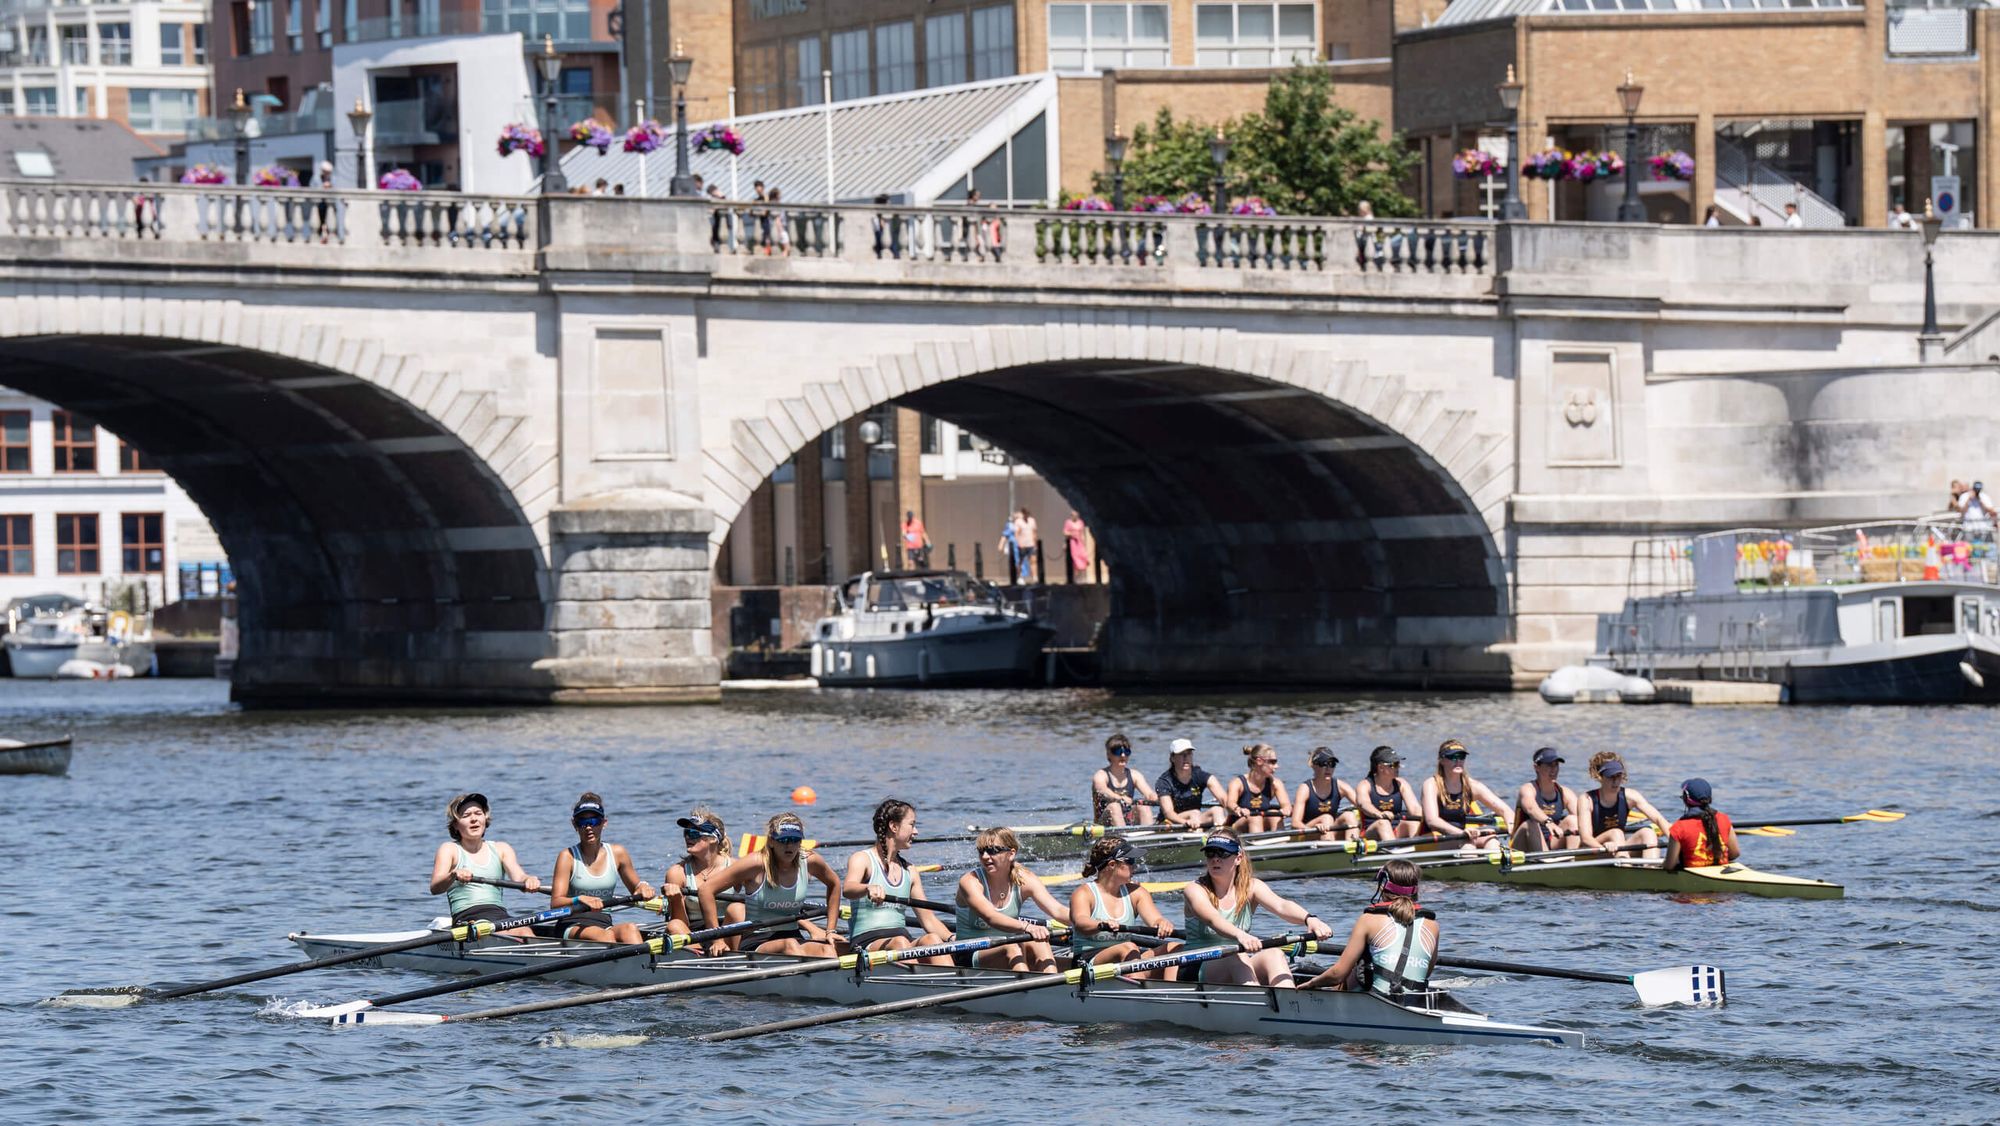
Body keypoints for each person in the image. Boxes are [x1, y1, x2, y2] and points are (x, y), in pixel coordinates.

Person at [1180, 830, 1333, 987]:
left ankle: (1289, 1005)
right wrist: (1241, 935)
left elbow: (1281, 905)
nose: (1215, 859)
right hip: (1196, 966)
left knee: (1274, 954)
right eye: (1210, 853)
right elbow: (1213, 919)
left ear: (1238, 858)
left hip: (1238, 964)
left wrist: (1310, 919)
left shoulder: (1252, 887)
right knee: (1235, 957)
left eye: (1222, 853)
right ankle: (1259, 1003)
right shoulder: (1195, 889)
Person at [698, 813, 842, 957]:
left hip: (792, 934)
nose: (789, 845)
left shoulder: (810, 860)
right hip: (756, 939)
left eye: (795, 840)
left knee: (827, 949)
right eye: (783, 840)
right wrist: (717, 939)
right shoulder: (755, 863)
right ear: (771, 842)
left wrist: (831, 931)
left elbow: (834, 883)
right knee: (789, 945)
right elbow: (706, 890)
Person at [1300, 859, 1436, 999]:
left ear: (1382, 885)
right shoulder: (1432, 925)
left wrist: (1311, 983)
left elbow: (1337, 975)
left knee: (1354, 969)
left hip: (1377, 1001)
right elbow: (1426, 973)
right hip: (1415, 1002)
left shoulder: (1368, 920)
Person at [842, 799, 953, 964]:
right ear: (894, 827)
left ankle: (955, 985)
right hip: (867, 943)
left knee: (932, 940)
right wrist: (867, 888)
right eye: (912, 824)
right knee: (899, 942)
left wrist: (952, 938)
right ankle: (920, 986)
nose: (916, 832)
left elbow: (928, 919)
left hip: (902, 942)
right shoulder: (862, 859)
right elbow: (848, 888)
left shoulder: (910, 870)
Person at [954, 827, 1071, 972]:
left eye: (993, 850)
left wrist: (1094, 922)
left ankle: (1051, 987)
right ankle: (1025, 990)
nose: (985, 856)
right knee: (1012, 948)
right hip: (969, 954)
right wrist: (1027, 927)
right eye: (981, 851)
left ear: (1011, 854)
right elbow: (992, 917)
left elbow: (1058, 910)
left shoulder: (1024, 878)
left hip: (1009, 946)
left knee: (1040, 943)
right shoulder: (970, 882)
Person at [546, 794, 656, 944]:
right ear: (575, 825)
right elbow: (555, 903)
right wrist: (579, 899)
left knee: (630, 929)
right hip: (572, 924)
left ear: (604, 823)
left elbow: (636, 889)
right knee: (605, 937)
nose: (588, 827)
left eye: (594, 821)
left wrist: (643, 887)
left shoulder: (618, 853)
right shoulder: (567, 857)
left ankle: (641, 966)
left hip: (604, 924)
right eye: (582, 822)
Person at [428, 793, 541, 936]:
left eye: (478, 813)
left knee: (528, 931)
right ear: (455, 825)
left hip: (500, 917)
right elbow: (435, 887)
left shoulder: (501, 848)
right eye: (466, 815)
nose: (474, 818)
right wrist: (453, 875)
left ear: (485, 819)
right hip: (467, 921)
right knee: (524, 932)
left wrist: (528, 880)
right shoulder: (449, 849)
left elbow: (518, 876)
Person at [1067, 837, 1179, 977]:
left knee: (1175, 947)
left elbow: (1155, 920)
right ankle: (1139, 992)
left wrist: (1162, 923)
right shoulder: (1083, 893)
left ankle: (1167, 991)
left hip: (1127, 957)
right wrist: (1101, 924)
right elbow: (1081, 922)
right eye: (1130, 862)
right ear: (1112, 864)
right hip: (1088, 961)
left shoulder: (1136, 892)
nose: (1135, 867)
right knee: (1128, 948)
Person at [663, 807, 742, 949]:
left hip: (728, 932)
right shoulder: (677, 873)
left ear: (712, 839)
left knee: (737, 909)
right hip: (694, 937)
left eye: (693, 833)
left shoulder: (735, 867)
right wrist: (675, 900)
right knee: (674, 925)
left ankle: (737, 956)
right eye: (686, 833)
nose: (687, 837)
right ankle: (701, 961)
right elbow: (681, 922)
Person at [1419, 739, 1513, 849]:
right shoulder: (1431, 785)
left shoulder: (1472, 786)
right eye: (1453, 757)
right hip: (1433, 838)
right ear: (1442, 760)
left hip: (1461, 836)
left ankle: (1495, 864)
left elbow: (1505, 810)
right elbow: (1432, 821)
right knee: (1468, 846)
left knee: (1492, 841)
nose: (1458, 761)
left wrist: (1511, 825)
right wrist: (1461, 833)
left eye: (1461, 757)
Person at [1579, 752, 1670, 860]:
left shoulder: (1630, 796)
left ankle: (1651, 870)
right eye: (1611, 777)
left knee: (1648, 832)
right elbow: (1586, 838)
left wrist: (1676, 842)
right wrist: (1603, 847)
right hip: (1591, 851)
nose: (1616, 781)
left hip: (1618, 847)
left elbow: (1659, 819)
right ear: (1599, 777)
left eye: (1618, 776)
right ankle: (1625, 865)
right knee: (1616, 832)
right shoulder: (1586, 799)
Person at [1511, 747, 1582, 852]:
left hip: (1551, 841)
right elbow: (1531, 808)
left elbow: (1582, 818)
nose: (1553, 769)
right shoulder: (1528, 789)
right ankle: (1546, 861)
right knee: (1531, 824)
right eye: (1549, 765)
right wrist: (1549, 822)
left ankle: (1573, 860)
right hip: (1521, 846)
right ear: (1536, 767)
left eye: (1556, 765)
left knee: (1573, 820)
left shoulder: (1564, 792)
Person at [1664, 778, 1742, 870]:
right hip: (1721, 871)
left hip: (1693, 876)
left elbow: (1669, 866)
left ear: (1685, 798)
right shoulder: (1724, 819)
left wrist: (1663, 863)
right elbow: (1735, 853)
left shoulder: (1678, 827)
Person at [1155, 738, 1230, 829]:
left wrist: (1236, 810)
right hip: (1169, 823)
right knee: (1194, 813)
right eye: (1182, 754)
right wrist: (1186, 822)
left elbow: (1225, 800)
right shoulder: (1164, 781)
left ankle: (1222, 837)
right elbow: (1169, 813)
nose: (1186, 758)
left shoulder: (1199, 775)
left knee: (1217, 810)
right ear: (1172, 758)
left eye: (1189, 754)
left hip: (1195, 819)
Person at [1292, 746, 1360, 841]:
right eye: (1324, 764)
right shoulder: (1305, 789)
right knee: (1326, 817)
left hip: (1329, 830)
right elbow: (1295, 823)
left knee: (1349, 815)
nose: (1328, 768)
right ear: (1314, 766)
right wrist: (1313, 829)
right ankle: (1329, 849)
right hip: (1306, 833)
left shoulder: (1341, 786)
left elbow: (1363, 805)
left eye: (1332, 764)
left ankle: (1353, 848)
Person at [1091, 732, 1158, 827]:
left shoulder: (1135, 775)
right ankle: (1123, 837)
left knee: (1144, 807)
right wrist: (1120, 798)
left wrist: (1160, 799)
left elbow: (1149, 794)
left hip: (1128, 820)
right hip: (1103, 826)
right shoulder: (1101, 775)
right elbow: (1103, 790)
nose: (1123, 755)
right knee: (1114, 807)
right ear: (1108, 754)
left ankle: (1149, 837)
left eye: (1126, 752)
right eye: (1118, 752)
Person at [1355, 746, 1421, 841]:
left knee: (1413, 823)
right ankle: (1393, 852)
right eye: (1394, 764)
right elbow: (1364, 804)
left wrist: (1430, 817)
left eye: (1398, 764)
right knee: (1383, 823)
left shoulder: (1401, 784)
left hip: (1395, 831)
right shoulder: (1364, 785)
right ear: (1381, 767)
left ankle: (1417, 851)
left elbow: (1415, 809)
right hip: (1370, 834)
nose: (1398, 767)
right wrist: (1379, 814)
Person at [1224, 743, 1291, 833]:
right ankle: (1257, 842)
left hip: (1260, 822)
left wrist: (1287, 810)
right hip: (1236, 827)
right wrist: (1238, 809)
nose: (1277, 766)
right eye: (1273, 762)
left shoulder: (1275, 784)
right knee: (1255, 818)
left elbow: (1286, 805)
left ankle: (1281, 844)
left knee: (1275, 815)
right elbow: (1230, 804)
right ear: (1259, 761)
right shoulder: (1237, 783)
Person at [1063, 510, 1090, 582]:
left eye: (1075, 515)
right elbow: (1065, 532)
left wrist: (1084, 543)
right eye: (1072, 515)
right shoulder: (1068, 522)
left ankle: (1083, 577)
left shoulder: (1081, 522)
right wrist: (1072, 534)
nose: (1074, 516)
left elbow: (1082, 533)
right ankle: (1075, 578)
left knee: (1082, 558)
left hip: (1079, 542)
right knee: (1075, 560)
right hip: (1072, 542)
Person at [998, 513, 1024, 585]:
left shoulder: (1022, 524)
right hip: (1013, 546)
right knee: (1015, 562)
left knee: (1021, 562)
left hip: (1021, 545)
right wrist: (1001, 544)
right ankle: (1017, 577)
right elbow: (1005, 535)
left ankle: (1020, 576)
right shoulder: (1010, 525)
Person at [1015, 508, 1039, 583]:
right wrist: (1019, 543)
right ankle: (1019, 577)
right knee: (1020, 561)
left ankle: (1035, 577)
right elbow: (1017, 534)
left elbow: (1034, 532)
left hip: (1030, 544)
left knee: (1033, 560)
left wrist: (1035, 543)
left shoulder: (1032, 521)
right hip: (1022, 545)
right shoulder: (1018, 522)